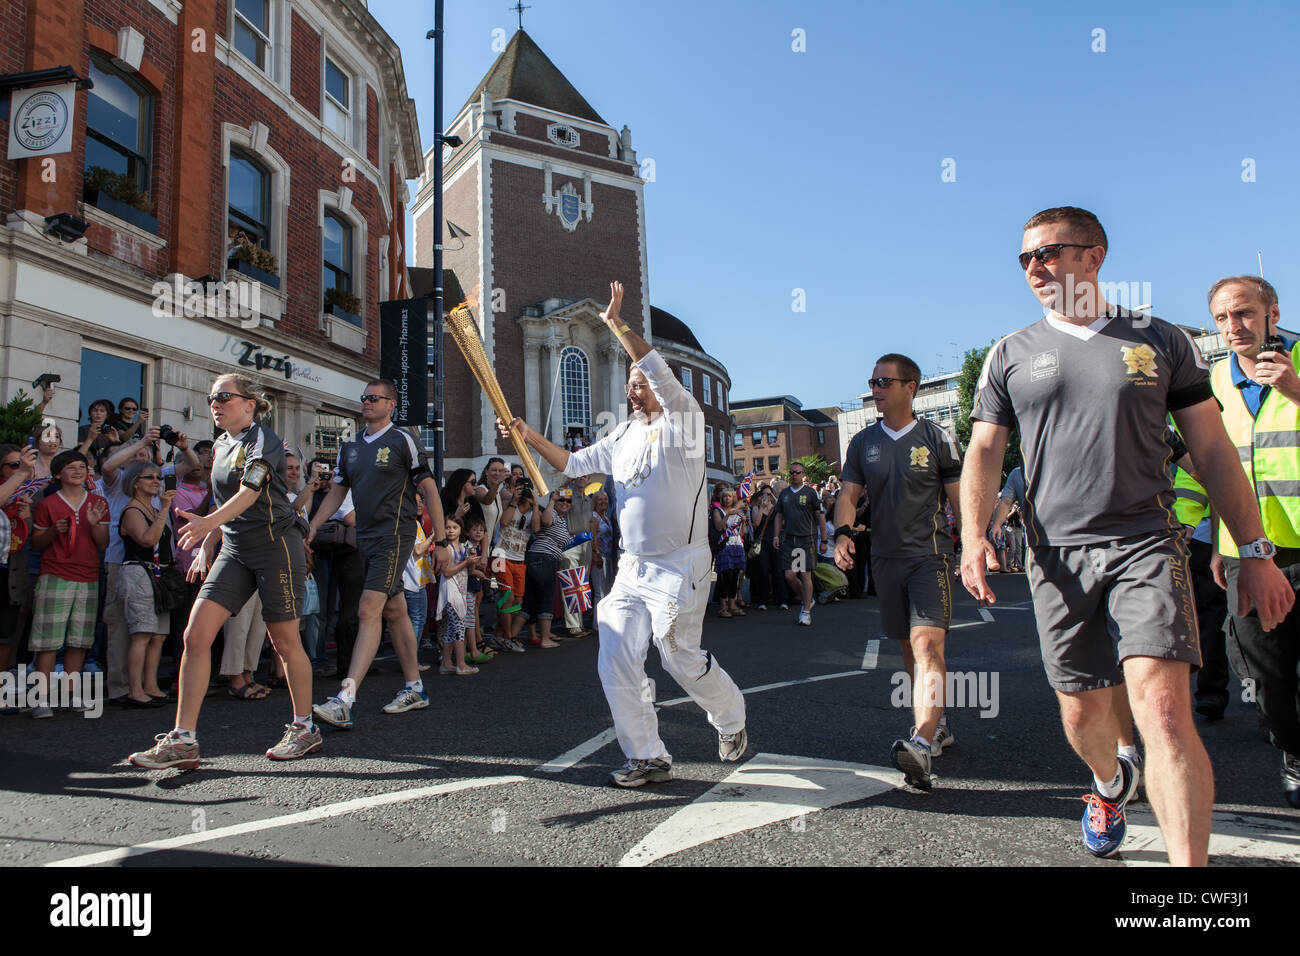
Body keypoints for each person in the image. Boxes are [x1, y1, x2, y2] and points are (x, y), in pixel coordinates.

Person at [960, 206, 1293, 865]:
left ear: (1094, 256)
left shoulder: (1162, 340)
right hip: (1057, 554)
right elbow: (985, 450)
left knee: (1165, 713)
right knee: (1086, 718)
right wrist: (973, 534)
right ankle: (1110, 783)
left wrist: (1252, 548)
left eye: (1048, 253)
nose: (1034, 267)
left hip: (1148, 541)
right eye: (1025, 258)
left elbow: (1214, 450)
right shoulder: (1009, 353)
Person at [502, 279, 747, 787]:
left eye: (642, 383)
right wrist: (527, 435)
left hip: (680, 563)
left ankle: (730, 718)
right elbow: (573, 464)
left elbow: (655, 366)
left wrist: (617, 324)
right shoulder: (625, 433)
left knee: (678, 655)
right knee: (614, 657)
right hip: (632, 569)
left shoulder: (688, 422)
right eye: (632, 384)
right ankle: (647, 755)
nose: (634, 390)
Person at [128, 374, 320, 768]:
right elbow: (224, 498)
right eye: (212, 397)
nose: (215, 403)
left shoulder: (264, 440)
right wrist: (208, 544)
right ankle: (183, 740)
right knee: (195, 635)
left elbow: (249, 494)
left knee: (284, 641)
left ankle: (305, 727)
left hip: (275, 546)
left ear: (249, 404)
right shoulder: (219, 444)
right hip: (235, 549)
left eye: (225, 396)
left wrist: (205, 524)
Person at [834, 353, 963, 789]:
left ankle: (922, 741)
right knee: (909, 648)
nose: (875, 389)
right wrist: (842, 533)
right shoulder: (861, 442)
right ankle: (937, 722)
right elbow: (848, 494)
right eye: (872, 382)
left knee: (927, 643)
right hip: (885, 560)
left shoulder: (938, 437)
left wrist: (975, 546)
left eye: (884, 382)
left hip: (930, 556)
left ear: (911, 387)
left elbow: (959, 499)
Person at [1203, 275, 1300, 807]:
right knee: (1265, 666)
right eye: (1221, 318)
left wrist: (1295, 391)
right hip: (1249, 547)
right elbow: (1219, 466)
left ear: (1273, 313)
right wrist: (1219, 541)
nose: (1232, 327)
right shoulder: (1215, 379)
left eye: (1242, 314)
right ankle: (1293, 749)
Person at [309, 379, 449, 729]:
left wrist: (442, 540)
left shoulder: (402, 439)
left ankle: (346, 698)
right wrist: (312, 525)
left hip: (395, 534)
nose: (367, 402)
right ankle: (415, 687)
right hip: (365, 538)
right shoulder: (350, 445)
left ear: (391, 404)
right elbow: (337, 492)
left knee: (367, 608)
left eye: (375, 398)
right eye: (364, 398)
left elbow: (429, 490)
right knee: (395, 609)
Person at [27, 451, 109, 717]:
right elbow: (36, 543)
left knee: (79, 641)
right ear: (58, 474)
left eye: (82, 467)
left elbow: (103, 543)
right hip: (55, 574)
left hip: (88, 576)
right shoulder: (48, 504)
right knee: (47, 642)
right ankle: (40, 698)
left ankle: (72, 695)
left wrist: (95, 525)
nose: (78, 471)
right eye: (71, 467)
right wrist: (52, 531)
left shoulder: (97, 502)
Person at [117, 461, 177, 708]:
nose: (156, 481)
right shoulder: (132, 510)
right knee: (142, 633)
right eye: (149, 477)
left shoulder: (152, 509)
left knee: (158, 636)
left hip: (159, 574)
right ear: (135, 482)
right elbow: (147, 539)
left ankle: (151, 686)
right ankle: (135, 690)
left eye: (157, 477)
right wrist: (164, 509)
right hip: (139, 572)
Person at [772, 462, 826, 625]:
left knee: (804, 573)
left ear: (803, 474)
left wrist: (823, 539)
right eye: (792, 473)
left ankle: (806, 611)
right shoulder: (785, 494)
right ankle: (806, 599)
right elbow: (778, 516)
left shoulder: (810, 493)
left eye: (798, 472)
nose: (795, 475)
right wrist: (775, 536)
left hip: (806, 538)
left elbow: (820, 516)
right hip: (789, 539)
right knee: (789, 575)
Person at [523, 488, 567, 648]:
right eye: (561, 500)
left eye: (568, 501)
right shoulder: (552, 514)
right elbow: (546, 522)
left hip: (541, 558)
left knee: (531, 599)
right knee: (546, 598)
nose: (565, 503)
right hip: (543, 558)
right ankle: (545, 639)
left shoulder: (561, 519)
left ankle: (511, 636)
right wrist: (553, 500)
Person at [712, 488, 747, 617]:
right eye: (725, 496)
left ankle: (732, 605)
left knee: (735, 578)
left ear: (734, 498)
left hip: (737, 545)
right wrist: (727, 515)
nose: (727, 499)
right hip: (725, 546)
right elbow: (719, 527)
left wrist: (743, 522)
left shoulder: (738, 512)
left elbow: (742, 533)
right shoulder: (718, 511)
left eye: (730, 496)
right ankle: (723, 607)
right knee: (725, 578)